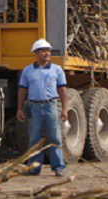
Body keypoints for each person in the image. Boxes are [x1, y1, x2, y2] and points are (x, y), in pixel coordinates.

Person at [16, 38, 69, 176]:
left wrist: (64, 109)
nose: (47, 53)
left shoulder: (57, 70)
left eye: (48, 50)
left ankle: (58, 167)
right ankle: (34, 168)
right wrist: (19, 109)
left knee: (55, 137)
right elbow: (22, 91)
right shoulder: (27, 71)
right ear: (35, 53)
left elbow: (62, 90)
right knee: (34, 139)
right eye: (43, 50)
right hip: (34, 107)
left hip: (51, 105)